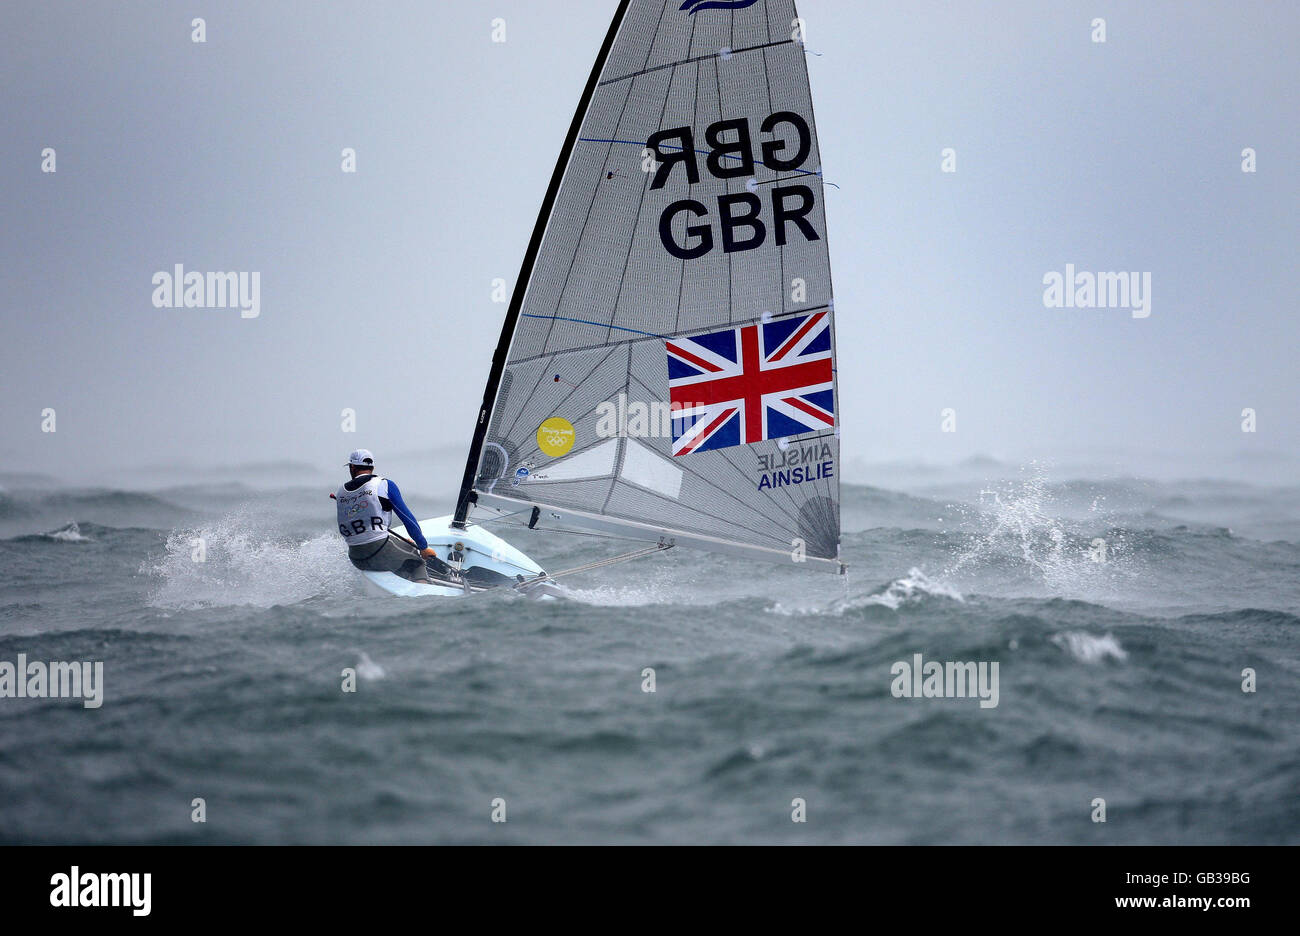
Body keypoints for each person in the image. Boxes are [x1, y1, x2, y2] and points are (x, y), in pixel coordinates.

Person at [335, 449, 449, 584]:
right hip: (379, 550)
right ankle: (422, 593)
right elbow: (407, 518)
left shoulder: (341, 492)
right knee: (416, 562)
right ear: (372, 467)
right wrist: (423, 547)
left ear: (352, 467)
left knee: (407, 547)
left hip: (356, 557)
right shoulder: (383, 484)